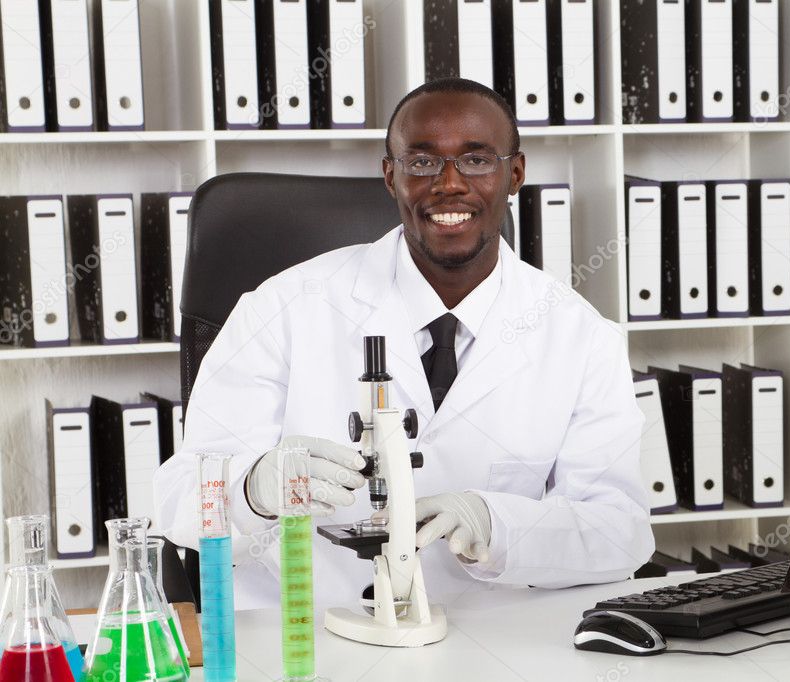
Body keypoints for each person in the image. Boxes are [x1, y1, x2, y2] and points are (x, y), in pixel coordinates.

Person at [154, 78, 654, 610]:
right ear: (390, 176)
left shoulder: (582, 337)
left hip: (493, 637)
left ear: (516, 175)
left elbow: (619, 531)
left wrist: (496, 523)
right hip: (304, 636)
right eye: (422, 163)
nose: (450, 185)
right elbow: (181, 499)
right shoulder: (281, 308)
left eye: (477, 160)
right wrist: (251, 490)